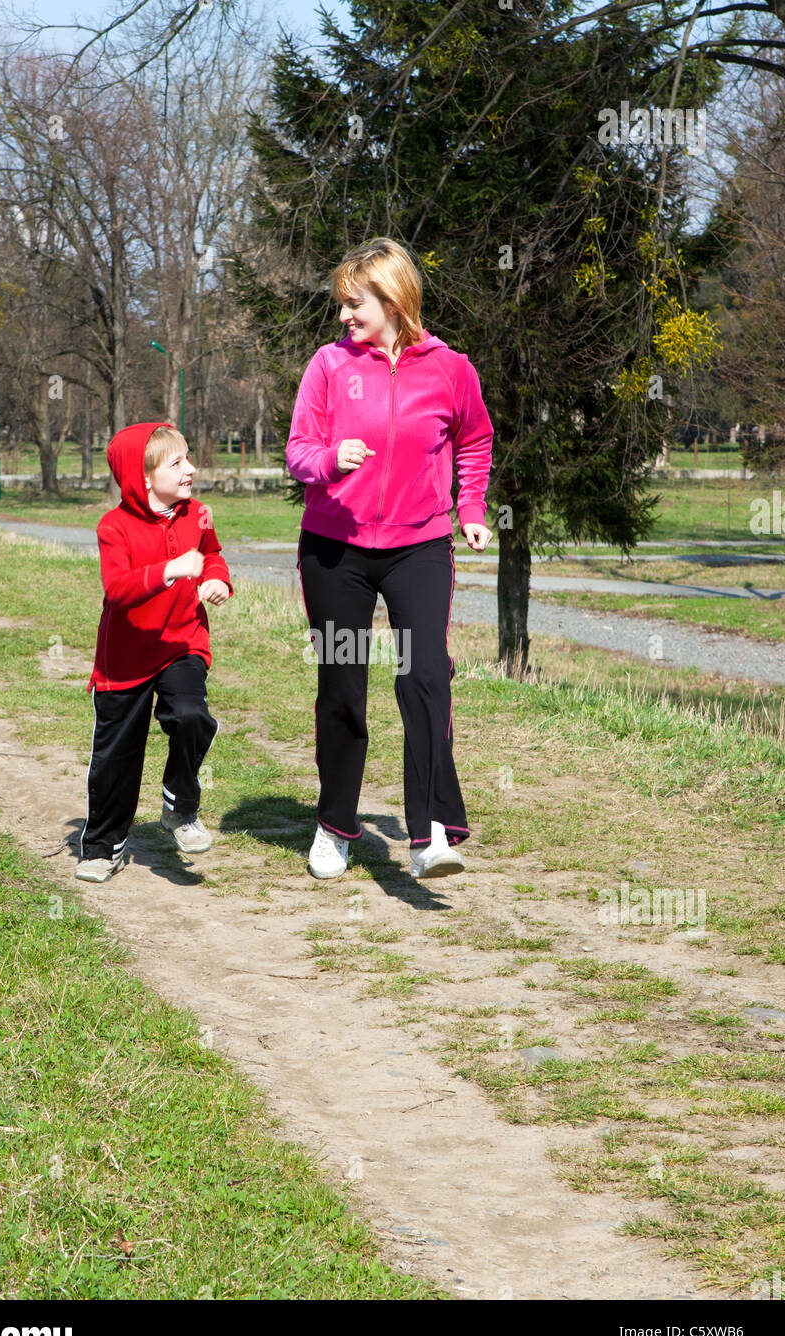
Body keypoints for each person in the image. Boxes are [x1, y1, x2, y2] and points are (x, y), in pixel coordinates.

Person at [287, 237, 493, 881]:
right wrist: (329, 461)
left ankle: (428, 834)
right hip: (335, 548)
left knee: (425, 677)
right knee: (344, 688)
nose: (344, 317)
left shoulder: (451, 369)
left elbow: (475, 440)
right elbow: (298, 451)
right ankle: (335, 827)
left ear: (394, 298)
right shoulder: (327, 365)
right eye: (341, 306)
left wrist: (473, 512)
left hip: (420, 547)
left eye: (355, 304)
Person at [75, 421, 233, 882]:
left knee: (190, 716)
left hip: (182, 642)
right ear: (143, 478)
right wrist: (170, 569)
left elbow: (213, 553)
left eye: (188, 459)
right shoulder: (113, 527)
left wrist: (216, 578)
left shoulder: (199, 514)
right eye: (178, 462)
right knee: (116, 756)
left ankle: (180, 808)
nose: (191, 469)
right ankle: (104, 846)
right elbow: (118, 589)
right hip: (123, 657)